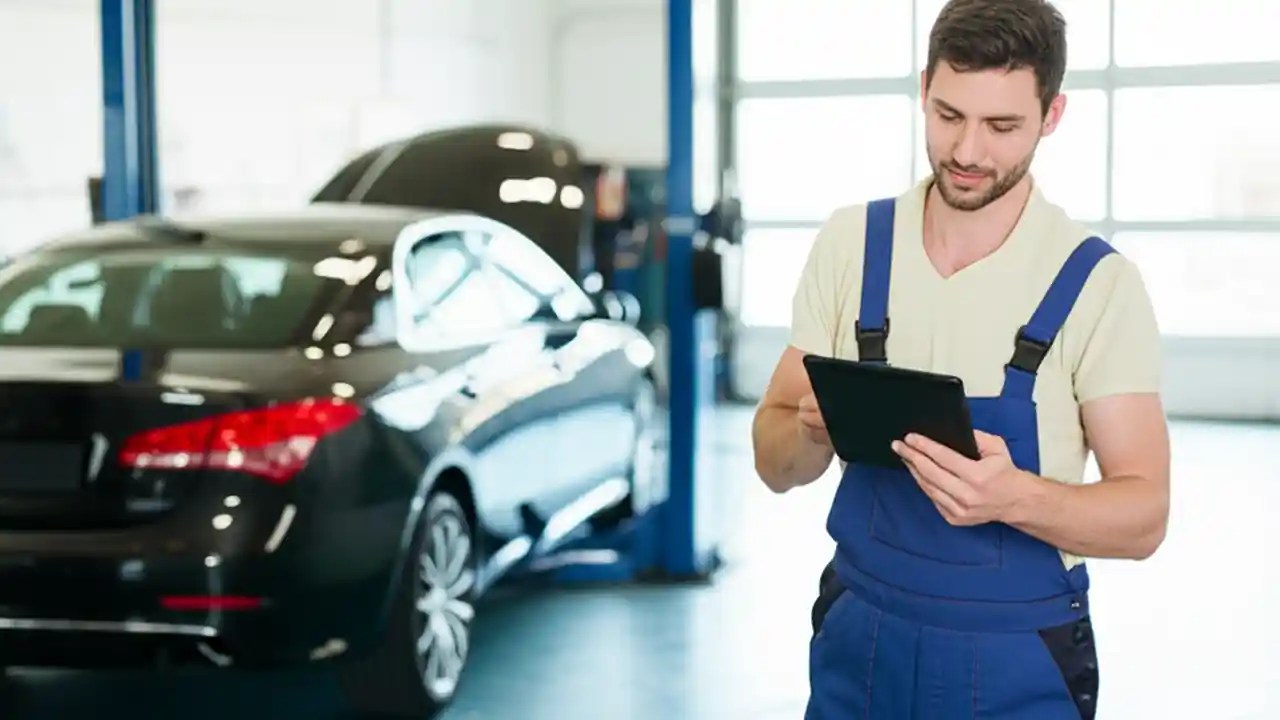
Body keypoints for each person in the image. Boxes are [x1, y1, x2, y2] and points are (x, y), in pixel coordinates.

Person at [750, 1, 1172, 718]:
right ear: (923, 89)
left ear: (1052, 114)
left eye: (1002, 126)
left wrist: (1016, 500)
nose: (969, 151)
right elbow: (773, 463)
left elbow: (1144, 516)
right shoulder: (852, 246)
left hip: (1016, 654)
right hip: (860, 638)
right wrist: (811, 432)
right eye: (948, 116)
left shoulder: (1096, 283)